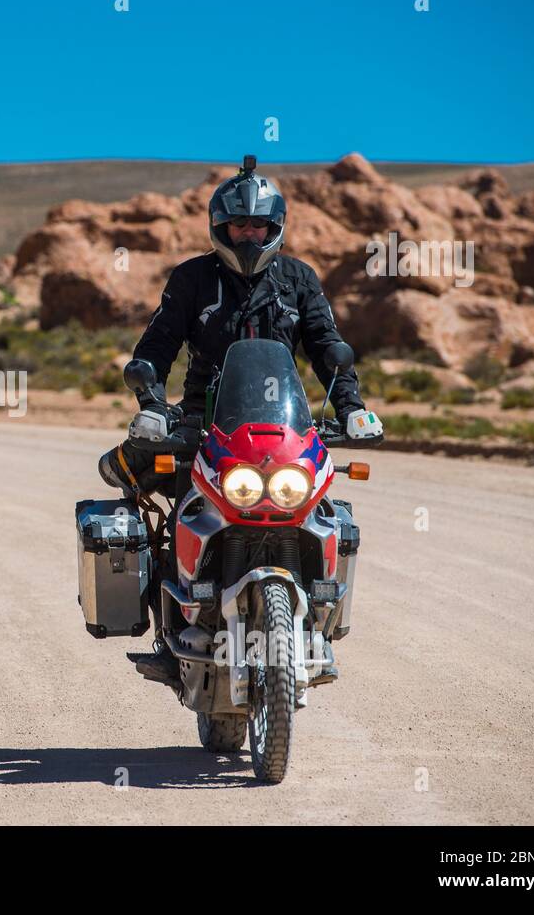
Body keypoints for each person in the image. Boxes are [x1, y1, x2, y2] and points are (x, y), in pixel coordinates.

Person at [105, 155, 375, 684]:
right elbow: (157, 346)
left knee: (324, 509)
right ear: (219, 226)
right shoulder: (191, 279)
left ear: (275, 228)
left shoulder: (299, 279)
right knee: (172, 502)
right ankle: (170, 628)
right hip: (205, 422)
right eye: (239, 224)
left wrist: (352, 407)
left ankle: (319, 614)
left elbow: (326, 346)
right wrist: (152, 403)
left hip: (281, 425)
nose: (249, 234)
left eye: (259, 225)